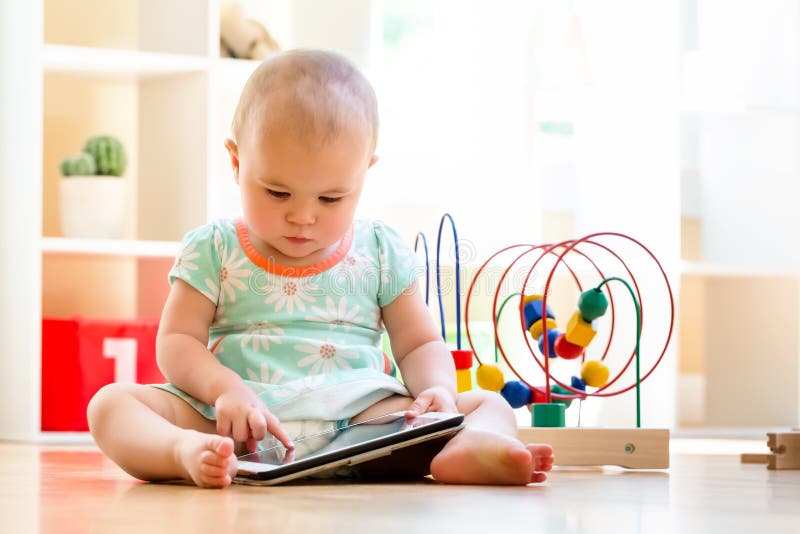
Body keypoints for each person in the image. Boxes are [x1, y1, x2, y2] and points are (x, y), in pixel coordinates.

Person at [87, 49, 554, 488]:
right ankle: (183, 452)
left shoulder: (379, 248)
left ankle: (464, 448)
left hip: (363, 422)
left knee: (485, 404)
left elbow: (419, 342)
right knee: (111, 404)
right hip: (236, 423)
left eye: (331, 198)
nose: (303, 217)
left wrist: (438, 393)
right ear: (236, 162)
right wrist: (225, 390)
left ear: (364, 174)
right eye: (277, 192)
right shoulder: (213, 248)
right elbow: (178, 341)